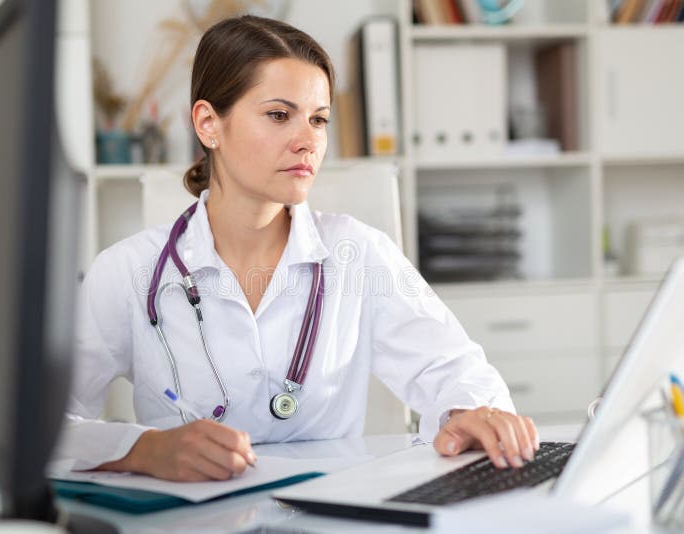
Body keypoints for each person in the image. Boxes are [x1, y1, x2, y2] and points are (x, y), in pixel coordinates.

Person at [61, 15, 539, 483]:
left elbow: (457, 371)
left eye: (318, 119)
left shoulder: (358, 253)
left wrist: (469, 415)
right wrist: (143, 450)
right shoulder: (129, 272)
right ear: (209, 124)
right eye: (278, 115)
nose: (308, 140)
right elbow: (43, 426)